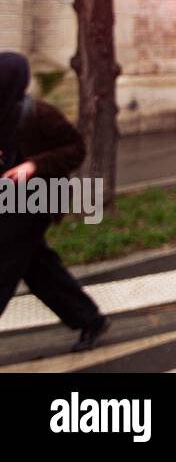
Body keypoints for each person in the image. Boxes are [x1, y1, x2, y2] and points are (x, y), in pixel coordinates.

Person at [0, 53, 110, 352]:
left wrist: (33, 165)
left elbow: (76, 149)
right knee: (38, 267)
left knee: (4, 263)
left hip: (37, 199)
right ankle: (90, 319)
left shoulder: (39, 114)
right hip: (7, 201)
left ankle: (90, 319)